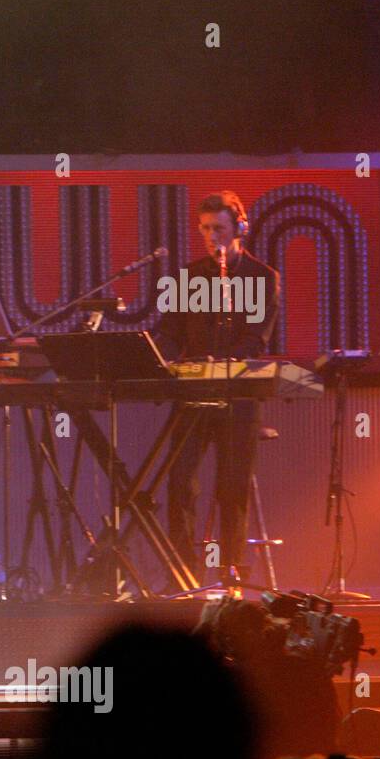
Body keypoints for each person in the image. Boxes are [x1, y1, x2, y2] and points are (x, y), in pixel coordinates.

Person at [155, 191, 280, 587]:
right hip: (193, 395)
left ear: (240, 227)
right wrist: (167, 359)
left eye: (220, 229)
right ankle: (183, 576)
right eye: (206, 229)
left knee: (232, 488)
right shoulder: (186, 277)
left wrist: (221, 366)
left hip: (239, 395)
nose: (212, 237)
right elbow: (170, 334)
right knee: (180, 485)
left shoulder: (263, 277)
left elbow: (256, 339)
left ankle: (232, 576)